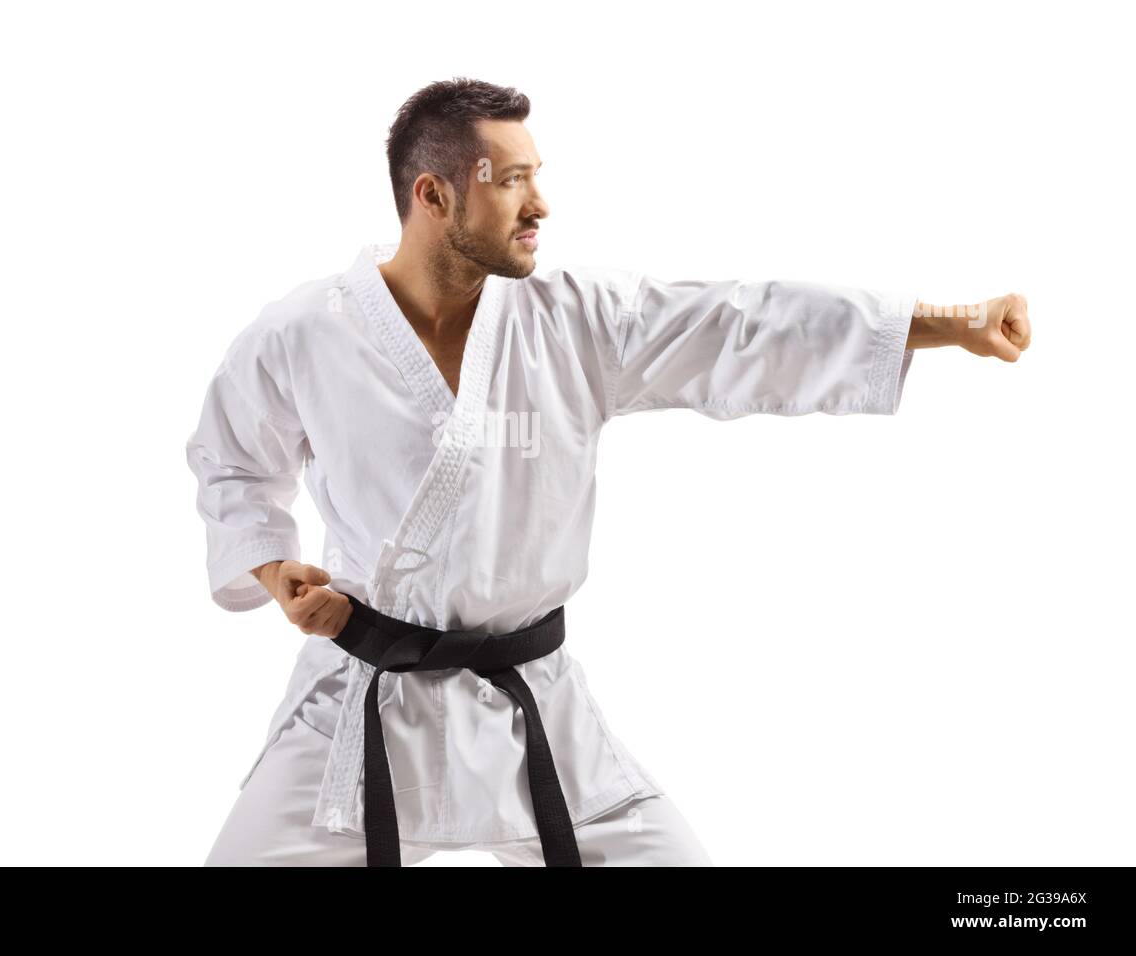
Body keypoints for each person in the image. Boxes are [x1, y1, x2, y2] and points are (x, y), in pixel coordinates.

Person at [185, 77, 1031, 867]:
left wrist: (948, 322)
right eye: (511, 180)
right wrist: (275, 571)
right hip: (359, 698)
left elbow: (741, 324)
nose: (540, 204)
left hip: (531, 706)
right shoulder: (305, 333)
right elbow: (231, 463)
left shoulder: (573, 322)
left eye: (536, 177)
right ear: (433, 196)